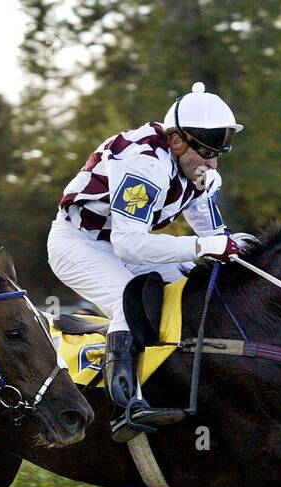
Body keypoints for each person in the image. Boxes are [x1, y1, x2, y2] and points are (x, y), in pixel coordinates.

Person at [47, 82, 253, 443]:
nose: (212, 163)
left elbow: (214, 235)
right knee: (129, 299)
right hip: (78, 243)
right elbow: (130, 247)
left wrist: (240, 249)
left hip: (117, 243)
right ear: (176, 141)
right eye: (205, 151)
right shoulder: (143, 163)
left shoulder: (201, 172)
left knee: (192, 287)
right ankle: (126, 406)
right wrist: (205, 246)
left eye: (218, 153)